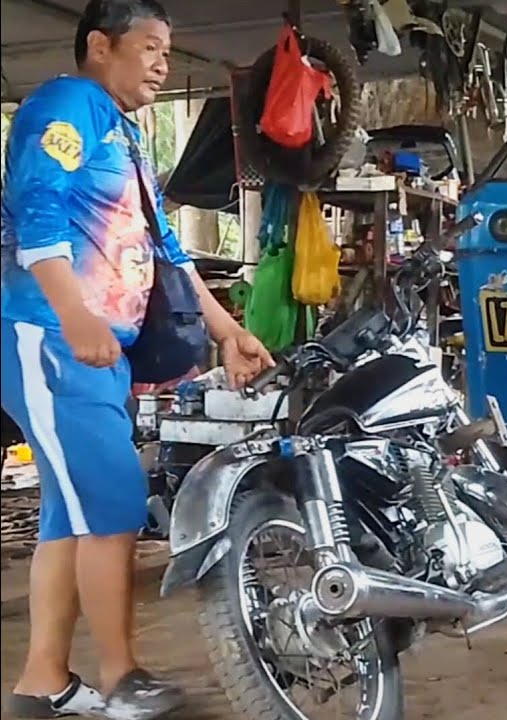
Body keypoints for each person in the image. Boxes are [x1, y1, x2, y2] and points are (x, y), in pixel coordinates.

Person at [1, 1, 274, 718]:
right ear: (101, 45)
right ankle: (123, 678)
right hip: (51, 337)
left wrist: (226, 330)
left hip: (95, 347)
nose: (162, 63)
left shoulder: (122, 131)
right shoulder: (67, 106)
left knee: (73, 514)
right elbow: (36, 206)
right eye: (149, 47)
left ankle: (43, 684)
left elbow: (165, 248)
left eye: (167, 51)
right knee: (117, 498)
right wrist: (74, 312)